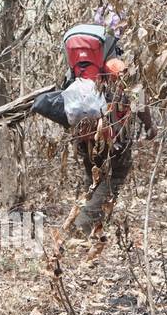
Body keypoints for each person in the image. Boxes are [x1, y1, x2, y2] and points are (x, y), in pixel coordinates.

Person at [32, 35, 156, 237]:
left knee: (92, 178)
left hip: (84, 138)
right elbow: (138, 95)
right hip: (112, 137)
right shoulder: (116, 66)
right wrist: (149, 125)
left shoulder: (75, 71)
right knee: (113, 178)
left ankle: (84, 222)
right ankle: (82, 227)